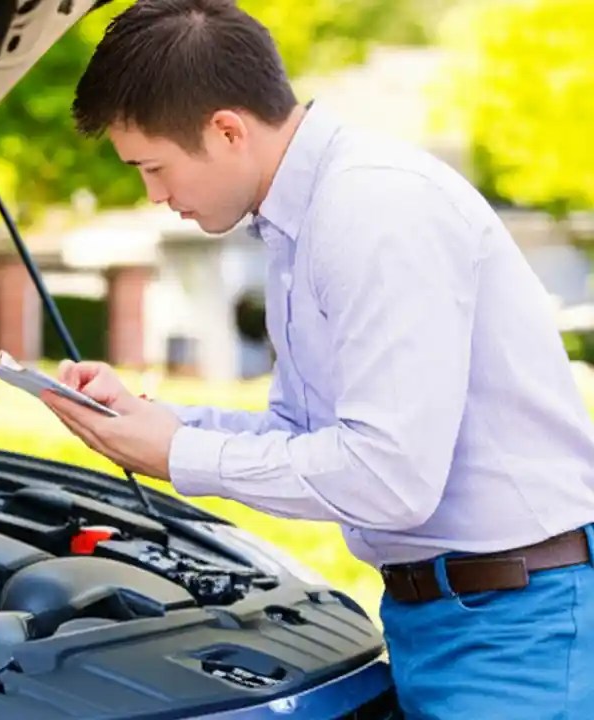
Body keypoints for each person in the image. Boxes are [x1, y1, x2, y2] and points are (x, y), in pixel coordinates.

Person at [41, 0, 594, 717]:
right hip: (453, 615)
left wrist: (181, 455)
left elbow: (389, 478)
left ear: (227, 130)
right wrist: (158, 420)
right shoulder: (299, 225)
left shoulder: (373, 212)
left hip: (520, 628)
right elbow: (306, 433)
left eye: (154, 167)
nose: (155, 195)